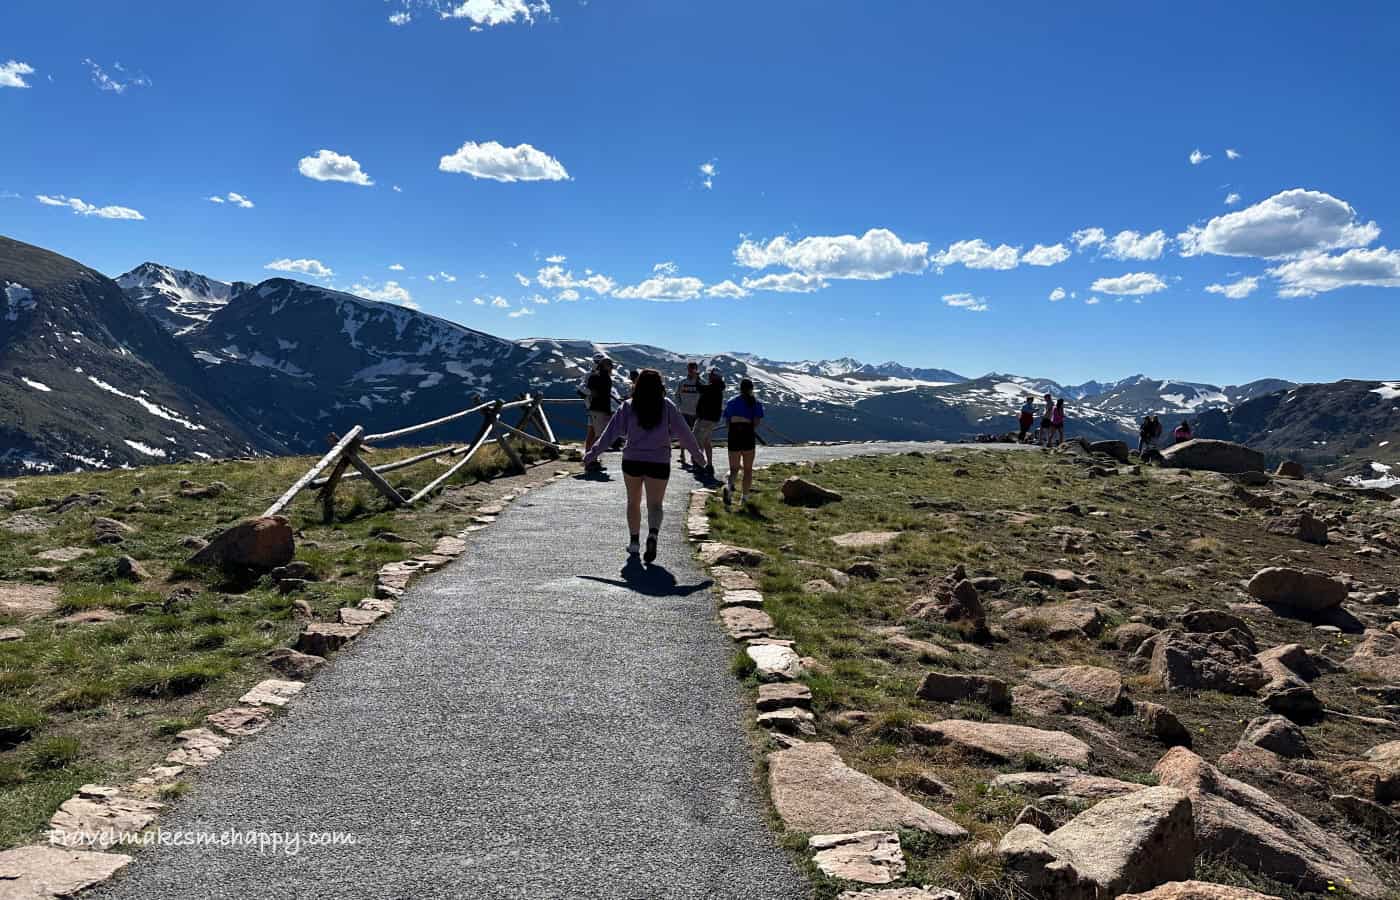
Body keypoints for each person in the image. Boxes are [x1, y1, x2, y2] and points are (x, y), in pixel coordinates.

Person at [583, 369, 705, 563]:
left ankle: (634, 542)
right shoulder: (667, 406)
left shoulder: (628, 406)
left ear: (637, 385)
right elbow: (684, 432)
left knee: (633, 502)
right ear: (660, 386)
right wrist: (698, 456)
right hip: (659, 461)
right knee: (655, 504)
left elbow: (609, 433)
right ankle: (653, 535)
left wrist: (592, 454)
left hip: (632, 460)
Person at [722, 378, 765, 509]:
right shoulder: (756, 403)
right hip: (748, 436)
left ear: (740, 388)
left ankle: (729, 488)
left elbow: (727, 422)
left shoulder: (732, 402)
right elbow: (757, 422)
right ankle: (744, 498)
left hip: (734, 435)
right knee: (747, 470)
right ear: (752, 389)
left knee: (734, 468)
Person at [582, 353, 616, 472]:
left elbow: (583, 390)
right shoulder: (596, 376)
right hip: (598, 408)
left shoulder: (592, 375)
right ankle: (591, 459)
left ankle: (590, 458)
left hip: (592, 407)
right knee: (597, 435)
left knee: (591, 434)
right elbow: (589, 390)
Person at [692, 368, 724, 477]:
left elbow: (700, 388)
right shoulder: (717, 387)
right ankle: (709, 465)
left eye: (711, 375)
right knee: (706, 442)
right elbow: (704, 388)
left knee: (697, 441)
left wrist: (696, 379)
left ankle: (699, 465)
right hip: (712, 419)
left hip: (705, 419)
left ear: (714, 377)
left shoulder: (713, 387)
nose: (709, 376)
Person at [675, 361, 702, 467]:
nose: (691, 371)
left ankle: (695, 456)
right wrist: (680, 406)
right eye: (689, 369)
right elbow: (677, 394)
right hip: (684, 412)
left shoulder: (700, 382)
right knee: (683, 434)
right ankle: (682, 454)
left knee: (695, 436)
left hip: (696, 413)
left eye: (693, 369)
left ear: (696, 369)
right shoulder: (682, 382)